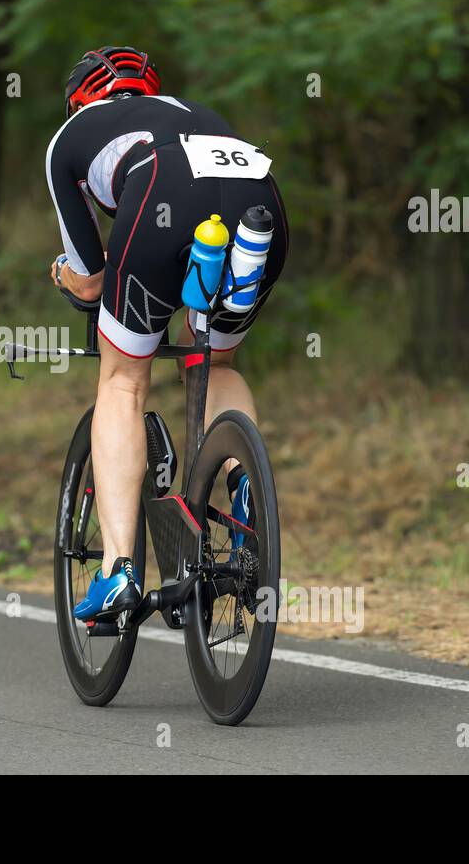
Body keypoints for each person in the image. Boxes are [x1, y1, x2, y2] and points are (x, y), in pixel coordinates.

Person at [45, 46, 289, 621]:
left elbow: (89, 278)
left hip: (163, 189)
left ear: (79, 100)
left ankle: (118, 572)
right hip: (260, 199)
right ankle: (244, 487)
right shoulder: (194, 111)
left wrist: (60, 272)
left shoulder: (72, 136)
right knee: (215, 363)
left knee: (124, 381)